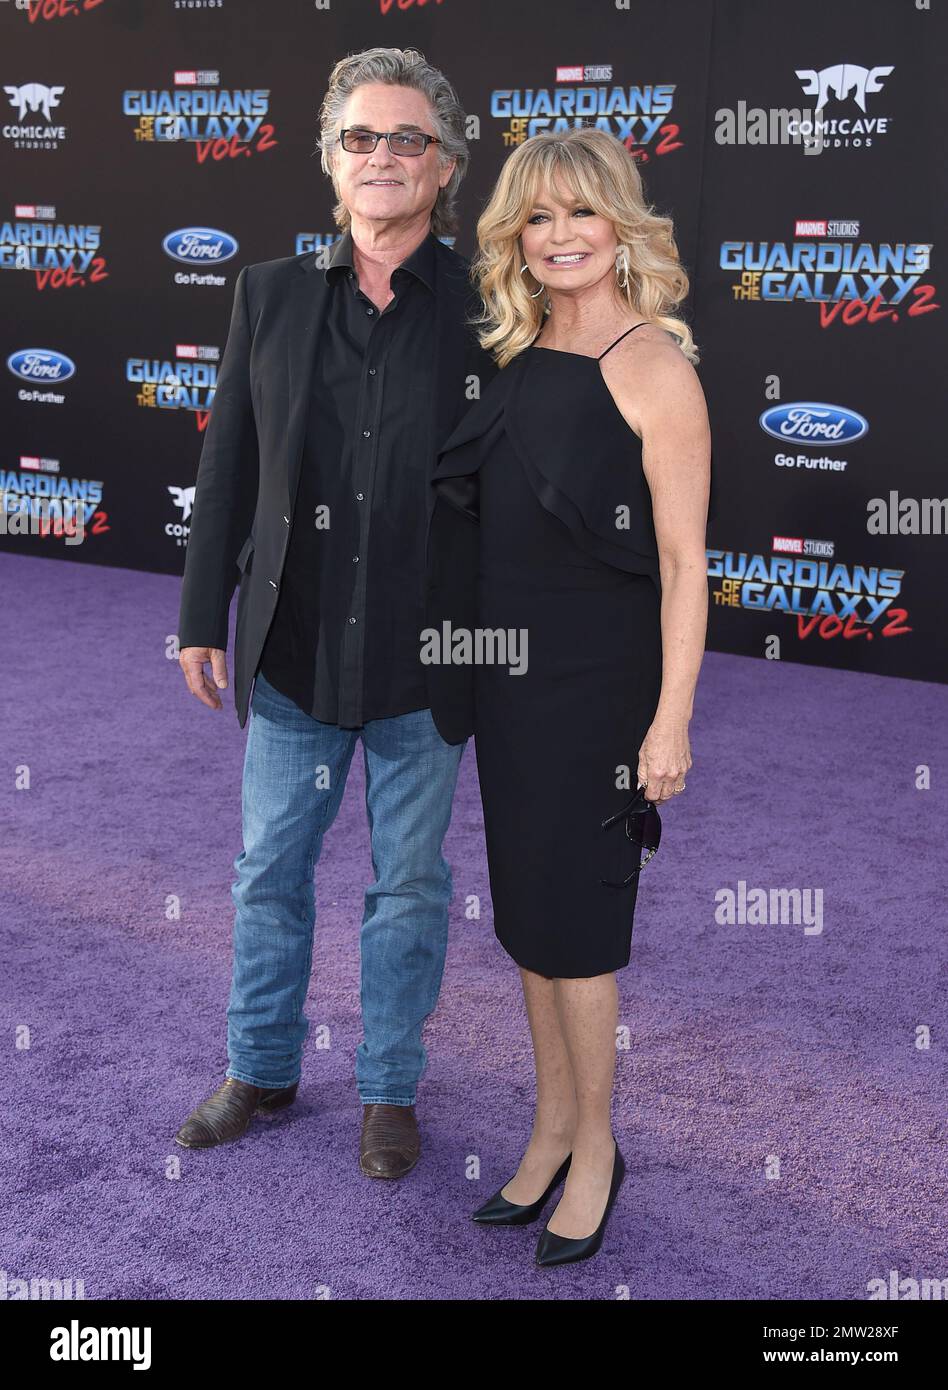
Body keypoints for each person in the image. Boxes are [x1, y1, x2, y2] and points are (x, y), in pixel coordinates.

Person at [174, 46, 497, 1178]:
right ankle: (259, 1068)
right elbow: (228, 468)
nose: (382, 157)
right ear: (329, 159)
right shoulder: (267, 294)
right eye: (360, 137)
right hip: (296, 651)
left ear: (445, 165)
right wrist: (200, 616)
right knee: (269, 871)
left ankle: (388, 1090)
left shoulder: (492, 303)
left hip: (426, 660)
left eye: (407, 138)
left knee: (409, 885)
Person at [426, 127, 713, 1264]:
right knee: (531, 920)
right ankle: (548, 1126)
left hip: (600, 689)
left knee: (582, 932)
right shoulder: (516, 350)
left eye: (580, 215)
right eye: (536, 218)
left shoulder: (655, 368)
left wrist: (672, 716)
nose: (558, 238)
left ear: (620, 224)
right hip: (511, 686)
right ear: (515, 234)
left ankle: (598, 1144)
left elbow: (687, 565)